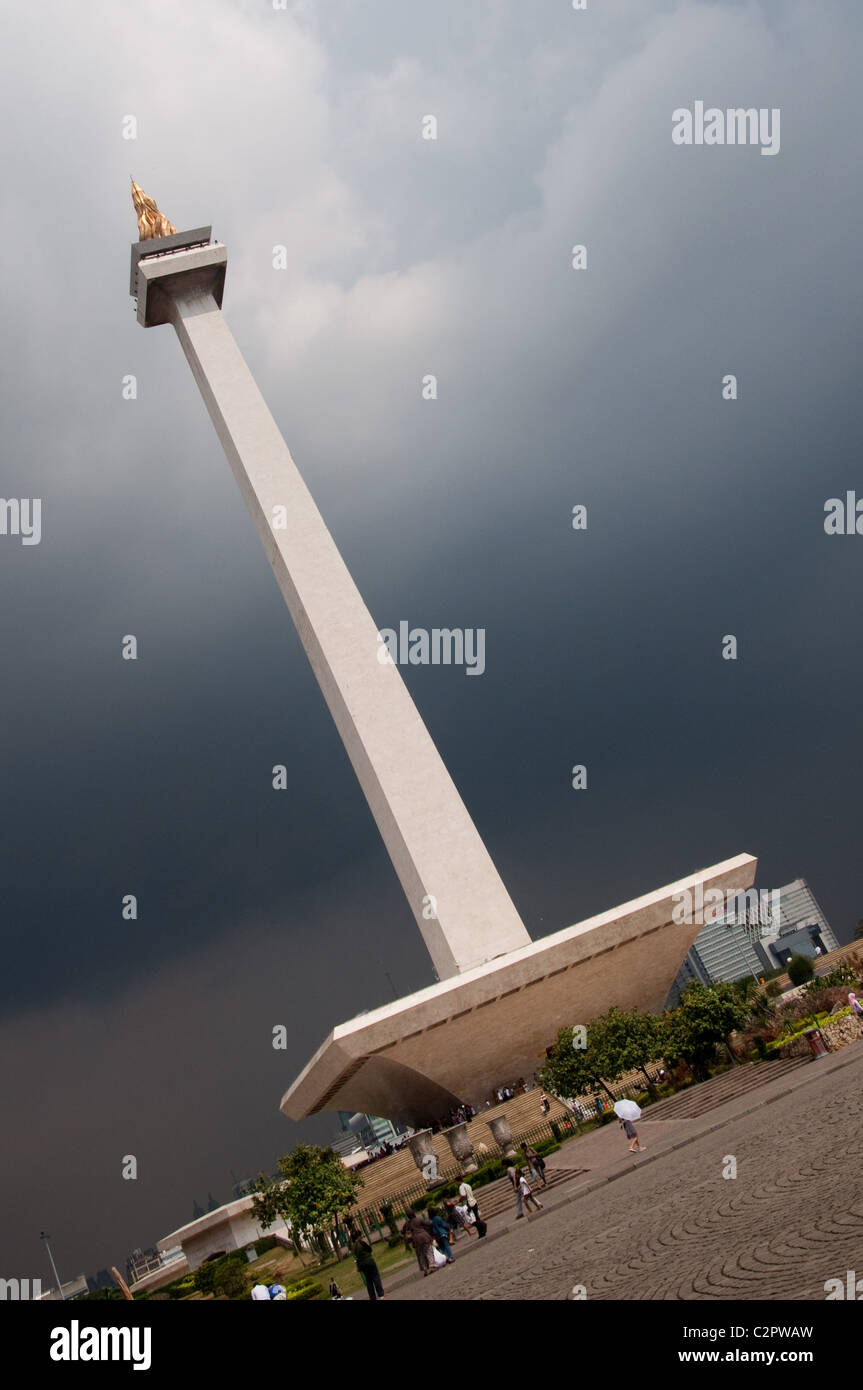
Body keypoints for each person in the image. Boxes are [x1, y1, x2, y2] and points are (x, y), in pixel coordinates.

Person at [351, 1230, 385, 1300]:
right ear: (358, 1236)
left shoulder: (353, 1246)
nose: (362, 1237)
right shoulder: (362, 1243)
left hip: (362, 1264)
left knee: (369, 1281)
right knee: (375, 1277)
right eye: (361, 1235)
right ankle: (381, 1294)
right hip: (369, 1261)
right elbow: (370, 1249)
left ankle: (372, 1297)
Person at [403, 1209, 437, 1275]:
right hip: (424, 1237)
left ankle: (425, 1270)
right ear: (413, 1213)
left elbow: (403, 1231)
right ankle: (432, 1266)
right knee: (428, 1252)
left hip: (415, 1240)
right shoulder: (419, 1219)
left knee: (420, 1255)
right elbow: (427, 1223)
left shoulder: (407, 1224)